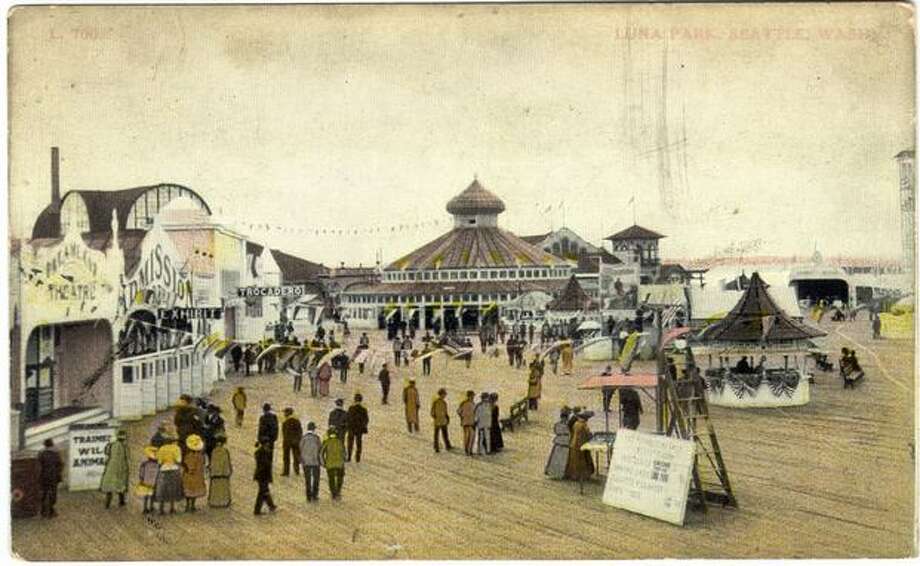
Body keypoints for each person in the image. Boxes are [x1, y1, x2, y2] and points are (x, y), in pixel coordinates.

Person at [154, 432, 184, 515]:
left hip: (164, 469)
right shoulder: (176, 448)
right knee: (173, 489)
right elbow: (178, 460)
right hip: (174, 469)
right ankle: (172, 508)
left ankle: (161, 509)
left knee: (162, 489)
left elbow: (159, 462)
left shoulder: (162, 449)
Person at [565, 411, 595, 491]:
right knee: (581, 461)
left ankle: (573, 475)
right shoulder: (583, 425)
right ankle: (581, 475)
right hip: (580, 444)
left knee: (574, 460)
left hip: (574, 443)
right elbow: (587, 435)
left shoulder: (576, 424)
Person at [100, 429, 130, 508]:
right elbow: (127, 457)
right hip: (121, 467)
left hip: (111, 467)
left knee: (109, 486)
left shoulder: (111, 444)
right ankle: (121, 502)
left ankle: (107, 504)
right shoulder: (124, 446)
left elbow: (106, 454)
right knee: (121, 485)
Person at [38, 438, 63, 518]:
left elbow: (38, 465)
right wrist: (58, 473)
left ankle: (42, 510)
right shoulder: (56, 454)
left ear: (45, 445)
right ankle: (51, 510)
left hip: (44, 477)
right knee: (53, 493)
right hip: (53, 477)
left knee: (44, 493)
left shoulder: (41, 454)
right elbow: (60, 465)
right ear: (52, 445)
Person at [182, 434, 207, 512]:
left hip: (188, 475)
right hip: (197, 476)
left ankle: (187, 506)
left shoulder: (188, 456)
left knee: (188, 490)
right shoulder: (201, 456)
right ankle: (192, 506)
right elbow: (203, 464)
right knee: (194, 491)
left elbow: (187, 465)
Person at [545, 408, 572, 479]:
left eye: (565, 418)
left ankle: (561, 473)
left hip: (565, 441)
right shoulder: (559, 424)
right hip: (560, 441)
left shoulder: (567, 425)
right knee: (556, 457)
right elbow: (556, 431)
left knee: (563, 459)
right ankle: (553, 472)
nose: (564, 419)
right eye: (563, 418)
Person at [300, 422, 323, 502]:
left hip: (306, 462)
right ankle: (315, 495)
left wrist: (301, 459)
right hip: (315, 461)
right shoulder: (316, 438)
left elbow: (300, 448)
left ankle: (308, 496)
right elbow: (320, 449)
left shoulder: (303, 437)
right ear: (314, 428)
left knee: (308, 479)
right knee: (316, 479)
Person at [253, 437, 277, 515]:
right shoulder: (262, 453)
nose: (268, 444)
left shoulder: (263, 452)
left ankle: (271, 505)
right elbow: (265, 465)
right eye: (267, 443)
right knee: (263, 492)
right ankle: (257, 510)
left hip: (262, 475)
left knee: (264, 491)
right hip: (262, 475)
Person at [320, 429, 346, 500]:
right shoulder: (340, 441)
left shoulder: (326, 442)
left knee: (331, 479)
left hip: (330, 464)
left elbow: (321, 453)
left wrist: (323, 463)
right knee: (340, 478)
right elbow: (344, 453)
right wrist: (343, 461)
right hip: (339, 463)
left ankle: (333, 493)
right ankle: (338, 491)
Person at [208, 435, 232, 508]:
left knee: (215, 487)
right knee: (223, 487)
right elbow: (227, 462)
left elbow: (212, 462)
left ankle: (214, 501)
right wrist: (228, 471)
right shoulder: (225, 451)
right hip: (223, 473)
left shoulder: (213, 451)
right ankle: (224, 501)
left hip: (215, 473)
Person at [346, 393, 370, 463]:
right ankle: (357, 458)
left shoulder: (351, 408)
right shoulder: (363, 409)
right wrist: (363, 426)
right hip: (359, 429)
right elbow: (366, 419)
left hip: (351, 428)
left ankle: (349, 457)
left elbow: (348, 418)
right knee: (359, 443)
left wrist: (348, 426)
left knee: (350, 443)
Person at [281, 408, 303, 476]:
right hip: (296, 442)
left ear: (287, 413)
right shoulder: (297, 421)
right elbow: (300, 432)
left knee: (286, 458)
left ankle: (286, 471)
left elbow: (284, 433)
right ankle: (297, 471)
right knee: (296, 457)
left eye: (285, 413)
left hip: (287, 442)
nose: (284, 414)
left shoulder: (285, 422)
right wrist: (298, 440)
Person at [431, 388, 452, 453]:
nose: (444, 396)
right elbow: (432, 411)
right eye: (444, 394)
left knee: (445, 433)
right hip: (438, 421)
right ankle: (436, 446)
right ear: (441, 394)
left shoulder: (444, 402)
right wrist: (435, 417)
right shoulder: (435, 402)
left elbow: (445, 411)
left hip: (443, 420)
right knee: (436, 434)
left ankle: (447, 445)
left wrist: (447, 417)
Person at [457, 390, 476, 456]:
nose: (473, 397)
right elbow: (459, 411)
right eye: (472, 395)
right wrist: (462, 417)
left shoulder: (472, 403)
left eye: (473, 396)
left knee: (470, 436)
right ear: (469, 396)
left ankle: (469, 450)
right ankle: (467, 450)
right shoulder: (465, 403)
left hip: (470, 422)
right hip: (467, 422)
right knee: (468, 436)